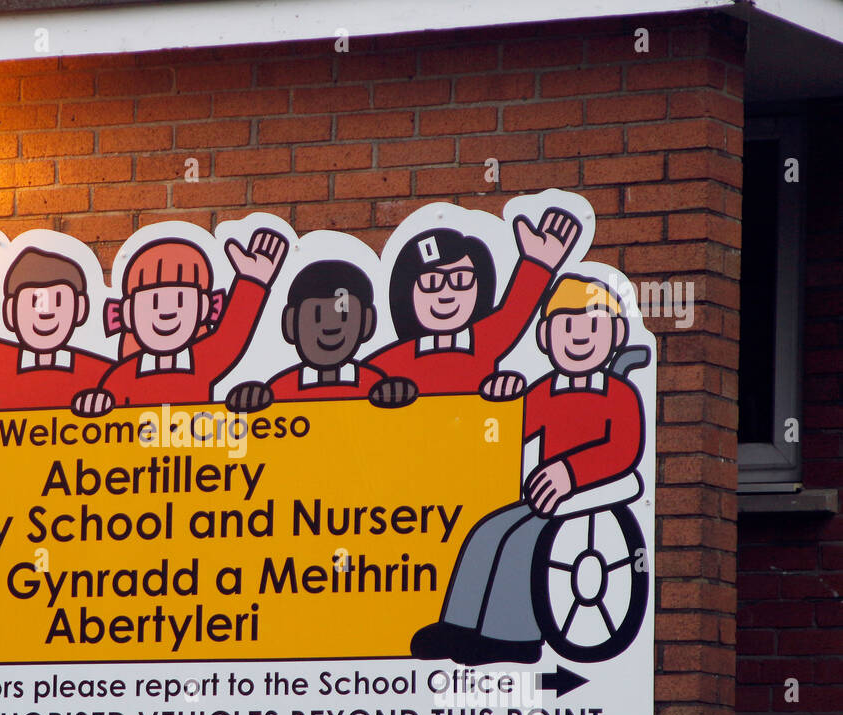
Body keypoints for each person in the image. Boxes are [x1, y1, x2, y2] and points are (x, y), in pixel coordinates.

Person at [410, 275, 646, 665]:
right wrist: (501, 396)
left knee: (523, 541)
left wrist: (569, 472)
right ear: (545, 337)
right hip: (548, 496)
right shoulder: (544, 391)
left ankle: (514, 638)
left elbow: (622, 449)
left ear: (616, 333)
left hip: (598, 492)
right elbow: (514, 429)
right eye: (567, 326)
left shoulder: (618, 395)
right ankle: (459, 626)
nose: (579, 336)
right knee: (486, 531)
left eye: (592, 326)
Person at [367, 208, 581, 403]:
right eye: (431, 282)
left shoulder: (482, 341)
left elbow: (513, 314)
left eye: (460, 280)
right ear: (406, 292)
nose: (446, 293)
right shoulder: (387, 364)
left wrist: (538, 263)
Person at [72, 229, 288, 414]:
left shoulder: (201, 360)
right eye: (154, 302)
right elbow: (105, 427)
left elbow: (232, 335)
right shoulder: (121, 376)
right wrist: (95, 404)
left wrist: (252, 281)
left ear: (203, 308)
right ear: (128, 313)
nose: (166, 313)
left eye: (180, 300)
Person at [0, 230, 113, 410]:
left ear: (80, 307)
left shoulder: (101, 375)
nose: (46, 313)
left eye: (58, 301)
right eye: (34, 302)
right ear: (10, 311)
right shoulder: (4, 368)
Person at [224, 258, 417, 411]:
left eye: (343, 315)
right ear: (291, 323)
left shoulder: (375, 385)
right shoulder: (281, 387)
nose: (330, 327)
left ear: (366, 322)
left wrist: (396, 394)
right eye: (316, 316)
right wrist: (252, 398)